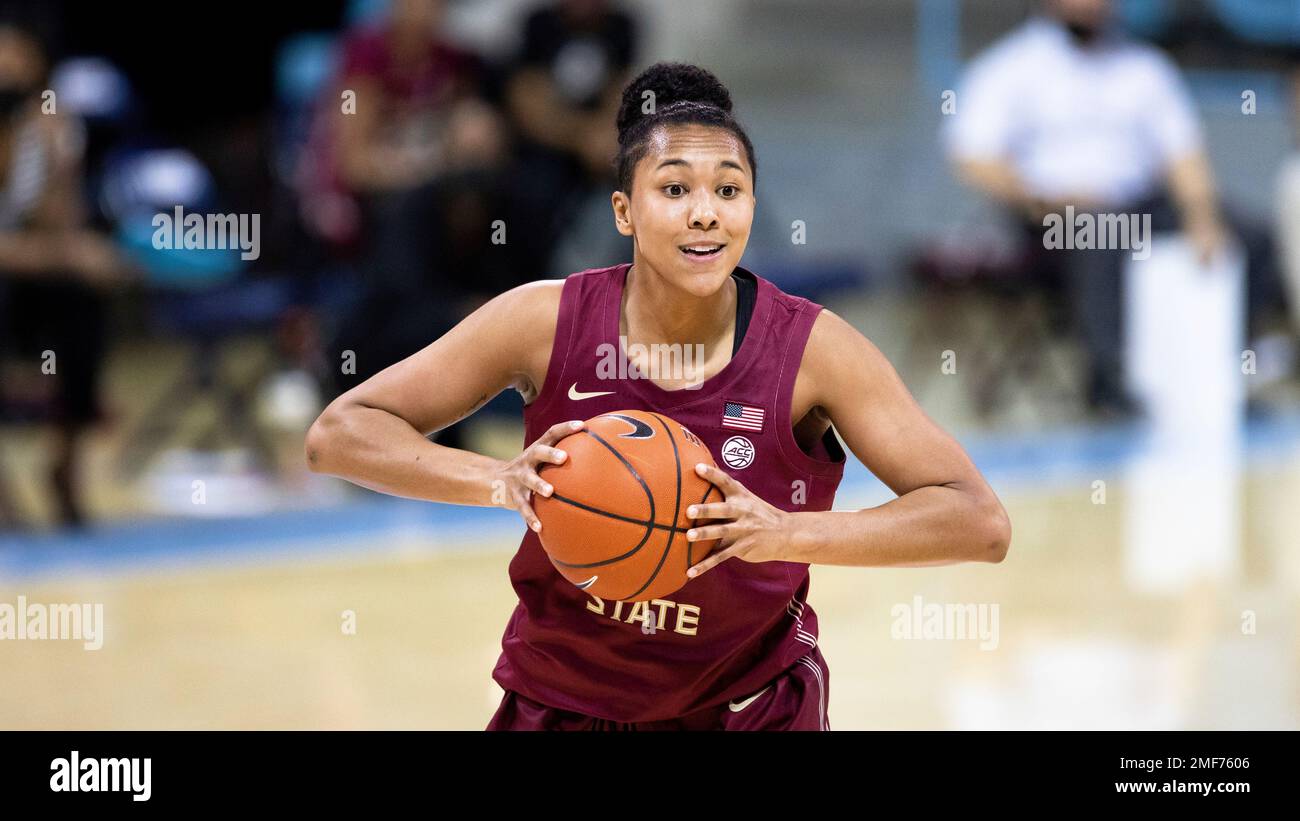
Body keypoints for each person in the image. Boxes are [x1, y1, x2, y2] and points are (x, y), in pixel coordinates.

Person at [306, 63, 1010, 730]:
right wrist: (500, 480)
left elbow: (978, 520)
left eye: (728, 191)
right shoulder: (542, 321)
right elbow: (339, 432)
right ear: (624, 209)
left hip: (751, 704)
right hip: (563, 700)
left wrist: (785, 532)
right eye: (675, 189)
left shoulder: (815, 350)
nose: (706, 213)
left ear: (751, 207)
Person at [944, 0, 1228, 417]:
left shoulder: (1144, 68)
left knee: (1246, 233)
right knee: (1099, 230)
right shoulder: (1011, 67)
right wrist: (1043, 196)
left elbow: (1183, 154)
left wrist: (1202, 216)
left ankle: (1234, 370)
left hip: (1137, 208)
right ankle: (1109, 384)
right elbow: (973, 157)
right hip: (1049, 217)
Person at [0, 23, 129, 527]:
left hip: (27, 273)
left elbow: (60, 228)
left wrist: (52, 156)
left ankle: (66, 464)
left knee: (81, 297)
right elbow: (61, 251)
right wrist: (64, 255)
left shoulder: (51, 128)